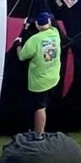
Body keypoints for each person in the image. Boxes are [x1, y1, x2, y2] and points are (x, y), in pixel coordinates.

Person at [15, 8, 63, 137]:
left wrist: (18, 45)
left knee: (39, 109)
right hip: (53, 78)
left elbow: (22, 56)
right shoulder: (55, 33)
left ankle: (39, 135)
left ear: (37, 25)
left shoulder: (34, 40)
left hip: (39, 83)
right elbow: (51, 23)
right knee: (44, 106)